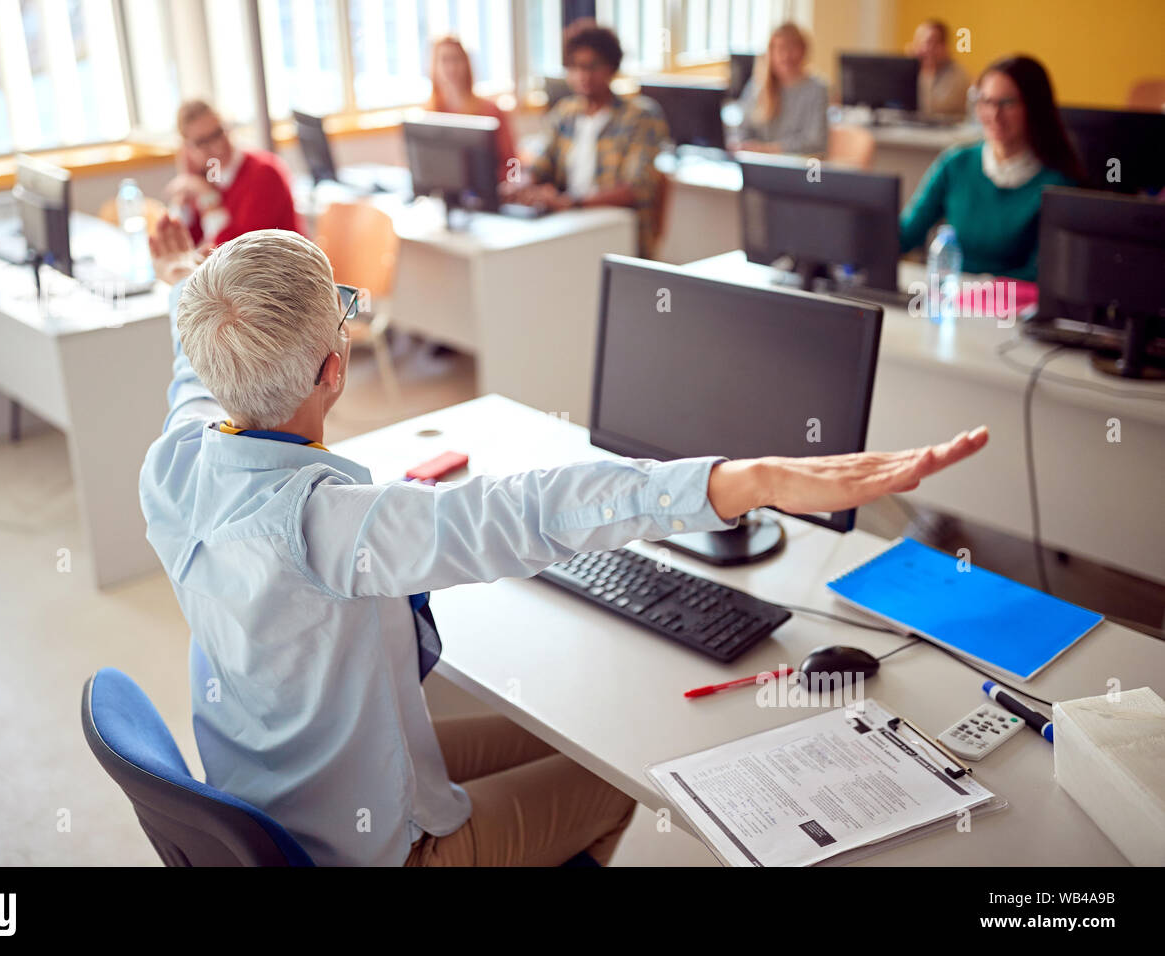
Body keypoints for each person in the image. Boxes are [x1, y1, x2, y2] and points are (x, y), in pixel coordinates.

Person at [139, 213, 989, 867]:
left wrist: (191, 281)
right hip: (372, 849)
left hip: (275, 791)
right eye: (343, 317)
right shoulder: (329, 527)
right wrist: (752, 481)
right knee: (624, 777)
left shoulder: (174, 461)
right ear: (333, 368)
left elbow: (192, 364)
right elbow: (528, 513)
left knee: (554, 731)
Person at [899, 56, 1083, 280]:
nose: (994, 114)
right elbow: (907, 233)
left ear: (1033, 107)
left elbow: (1042, 274)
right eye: (985, 101)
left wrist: (983, 288)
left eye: (1007, 103)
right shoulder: (956, 163)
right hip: (953, 301)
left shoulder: (1058, 183)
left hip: (1013, 309)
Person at [510, 20, 669, 259]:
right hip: (571, 225)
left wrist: (571, 203)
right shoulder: (566, 112)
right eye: (575, 67)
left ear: (611, 68)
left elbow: (635, 188)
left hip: (616, 230)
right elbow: (542, 164)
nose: (582, 75)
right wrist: (522, 183)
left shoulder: (639, 116)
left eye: (592, 66)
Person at [166, 99, 305, 249]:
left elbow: (234, 256)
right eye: (202, 142)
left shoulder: (264, 174)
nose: (217, 146)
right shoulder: (210, 175)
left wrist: (208, 197)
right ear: (188, 149)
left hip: (279, 270)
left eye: (218, 133)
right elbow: (182, 244)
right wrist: (185, 185)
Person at [426, 36, 517, 184]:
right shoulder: (429, 116)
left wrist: (513, 185)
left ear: (466, 64)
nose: (451, 67)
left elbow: (513, 161)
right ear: (434, 67)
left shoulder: (491, 112)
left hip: (491, 193)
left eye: (456, 59)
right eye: (444, 60)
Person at [734, 22, 828, 155]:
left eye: (792, 48)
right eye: (780, 49)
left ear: (803, 50)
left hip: (797, 165)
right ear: (770, 53)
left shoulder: (817, 89)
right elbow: (742, 130)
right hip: (758, 163)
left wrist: (767, 150)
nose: (786, 56)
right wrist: (745, 145)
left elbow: (815, 141)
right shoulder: (757, 85)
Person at [909, 19, 971, 117]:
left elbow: (930, 110)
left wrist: (927, 69)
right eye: (919, 43)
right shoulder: (914, 71)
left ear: (944, 46)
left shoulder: (957, 76)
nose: (924, 49)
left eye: (929, 43)